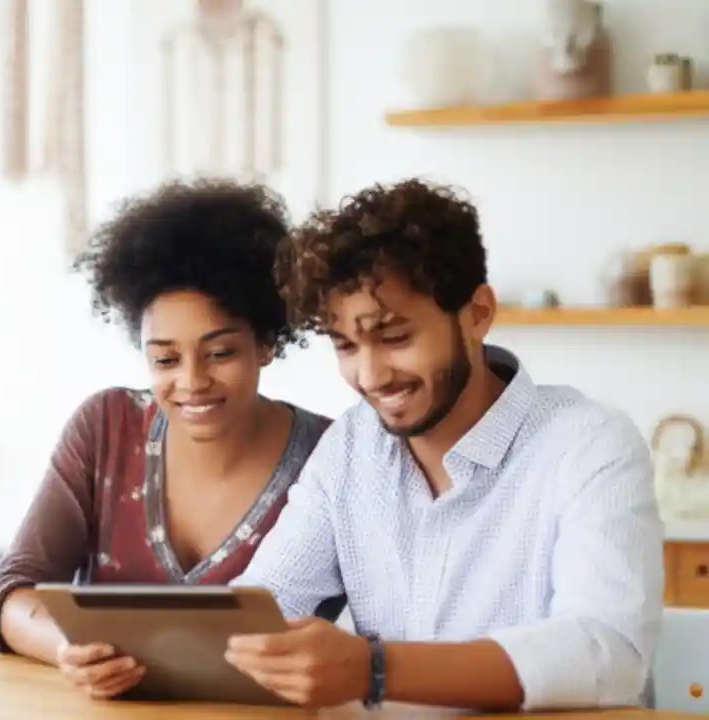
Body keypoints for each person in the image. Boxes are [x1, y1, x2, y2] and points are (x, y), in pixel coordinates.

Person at [224, 179, 664, 711]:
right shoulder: (349, 447)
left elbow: (607, 656)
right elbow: (262, 605)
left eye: (394, 337)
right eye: (345, 345)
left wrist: (375, 670)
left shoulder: (589, 444)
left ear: (478, 313)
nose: (370, 376)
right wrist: (139, 655)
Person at [0, 180, 340, 699]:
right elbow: (14, 589)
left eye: (220, 354)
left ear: (266, 342)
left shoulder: (330, 456)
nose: (192, 382)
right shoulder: (105, 428)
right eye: (166, 360)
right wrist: (68, 651)